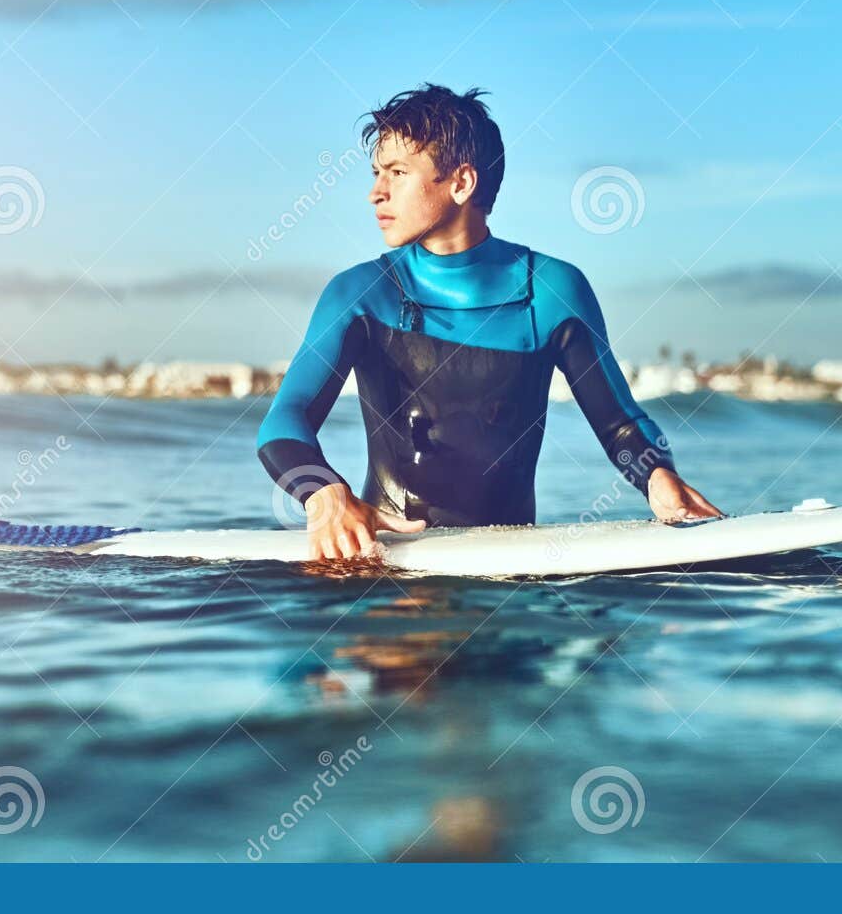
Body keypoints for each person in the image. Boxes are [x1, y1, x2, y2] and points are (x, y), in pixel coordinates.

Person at [256, 84, 723, 561]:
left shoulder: (553, 291)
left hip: (509, 572)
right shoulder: (360, 294)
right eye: (377, 173)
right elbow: (283, 421)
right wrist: (324, 494)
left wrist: (657, 478)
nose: (376, 192)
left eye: (397, 173)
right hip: (387, 569)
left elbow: (620, 422)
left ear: (461, 184)